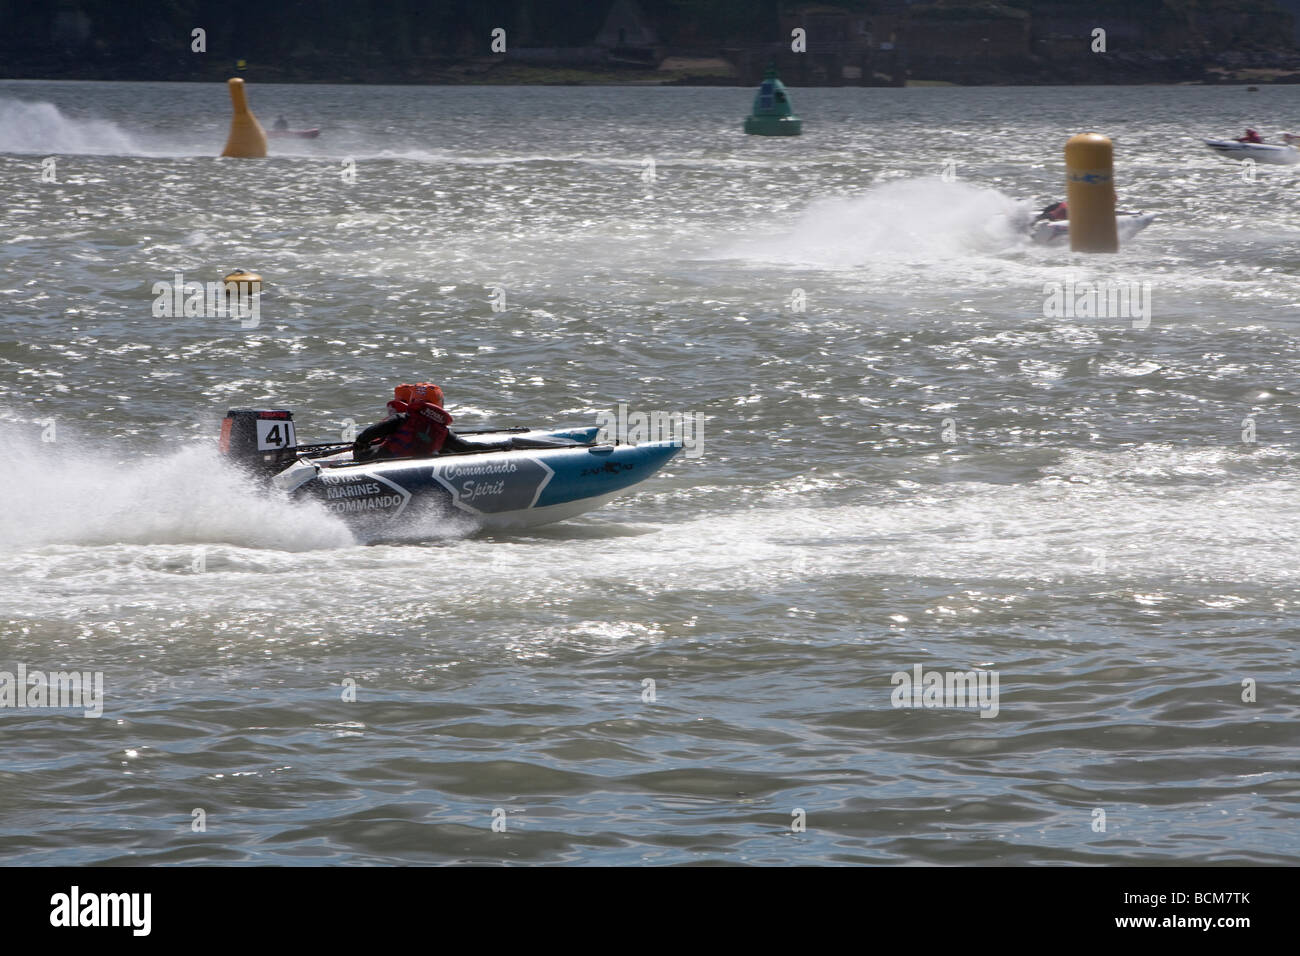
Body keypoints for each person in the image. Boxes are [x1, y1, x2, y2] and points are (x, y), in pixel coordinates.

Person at [352, 383, 511, 462]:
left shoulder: (401, 419)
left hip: (382, 460)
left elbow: (369, 433)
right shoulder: (442, 432)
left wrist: (360, 444)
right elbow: (467, 447)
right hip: (416, 467)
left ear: (413, 400)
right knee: (447, 450)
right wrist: (502, 446)